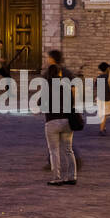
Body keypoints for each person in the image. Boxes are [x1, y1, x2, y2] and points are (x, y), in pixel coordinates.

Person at [43, 50, 77, 186]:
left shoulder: (47, 87)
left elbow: (41, 103)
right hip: (67, 121)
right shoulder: (66, 87)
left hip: (52, 121)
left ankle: (57, 178)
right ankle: (72, 176)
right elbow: (72, 100)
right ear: (60, 74)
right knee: (68, 150)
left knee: (54, 151)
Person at [96, 59, 110, 134]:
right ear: (107, 68)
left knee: (102, 113)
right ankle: (101, 129)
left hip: (100, 97)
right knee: (105, 114)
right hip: (106, 97)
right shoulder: (109, 77)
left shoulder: (99, 77)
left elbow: (96, 87)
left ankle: (103, 127)